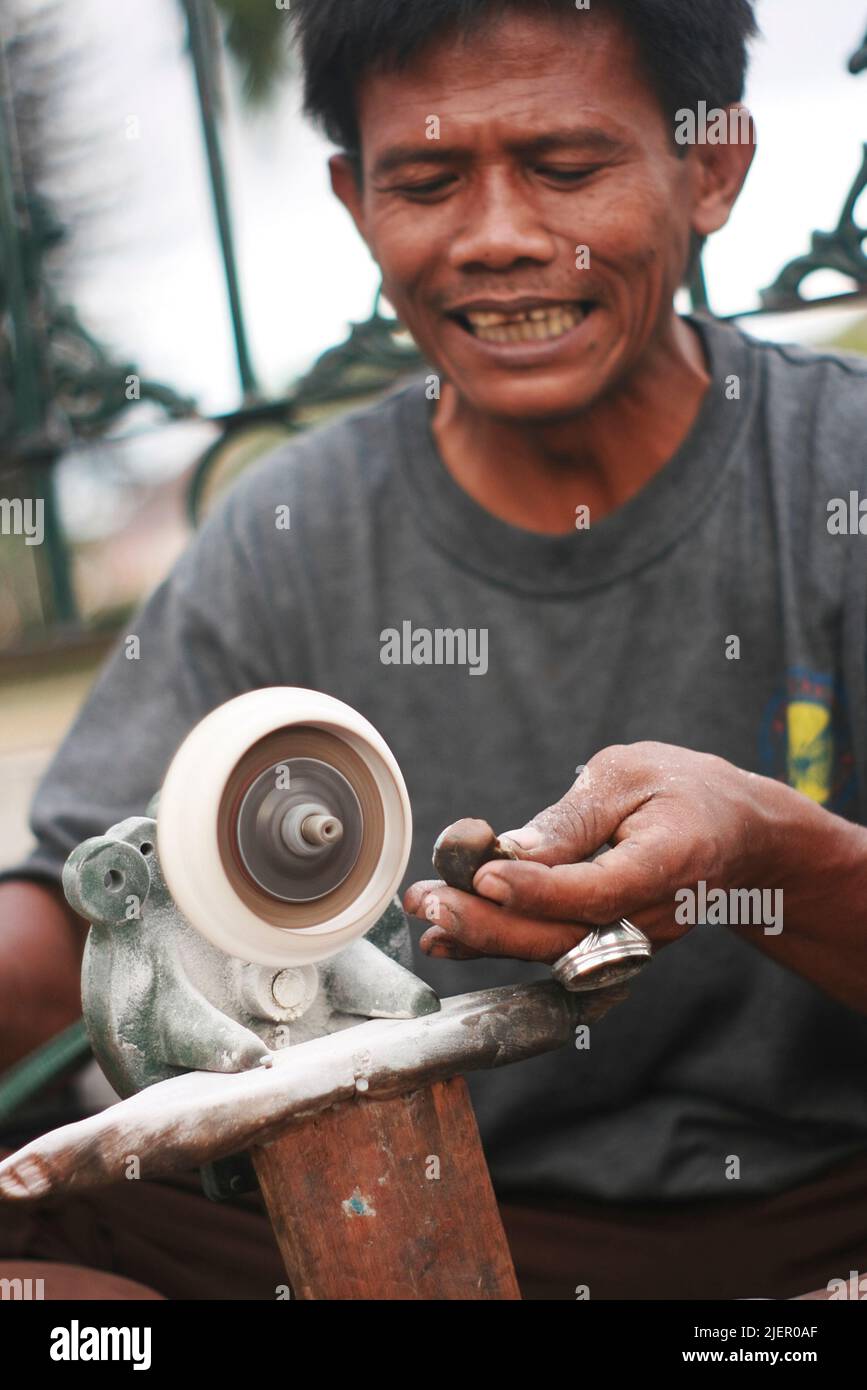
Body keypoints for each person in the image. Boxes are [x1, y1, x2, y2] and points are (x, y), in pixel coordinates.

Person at [2, 0, 867, 1300]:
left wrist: (775, 857)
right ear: (355, 199)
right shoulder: (289, 532)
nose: (501, 238)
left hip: (789, 1230)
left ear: (712, 166)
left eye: (566, 168)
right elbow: (62, 927)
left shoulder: (837, 475)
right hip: (352, 1211)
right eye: (426, 179)